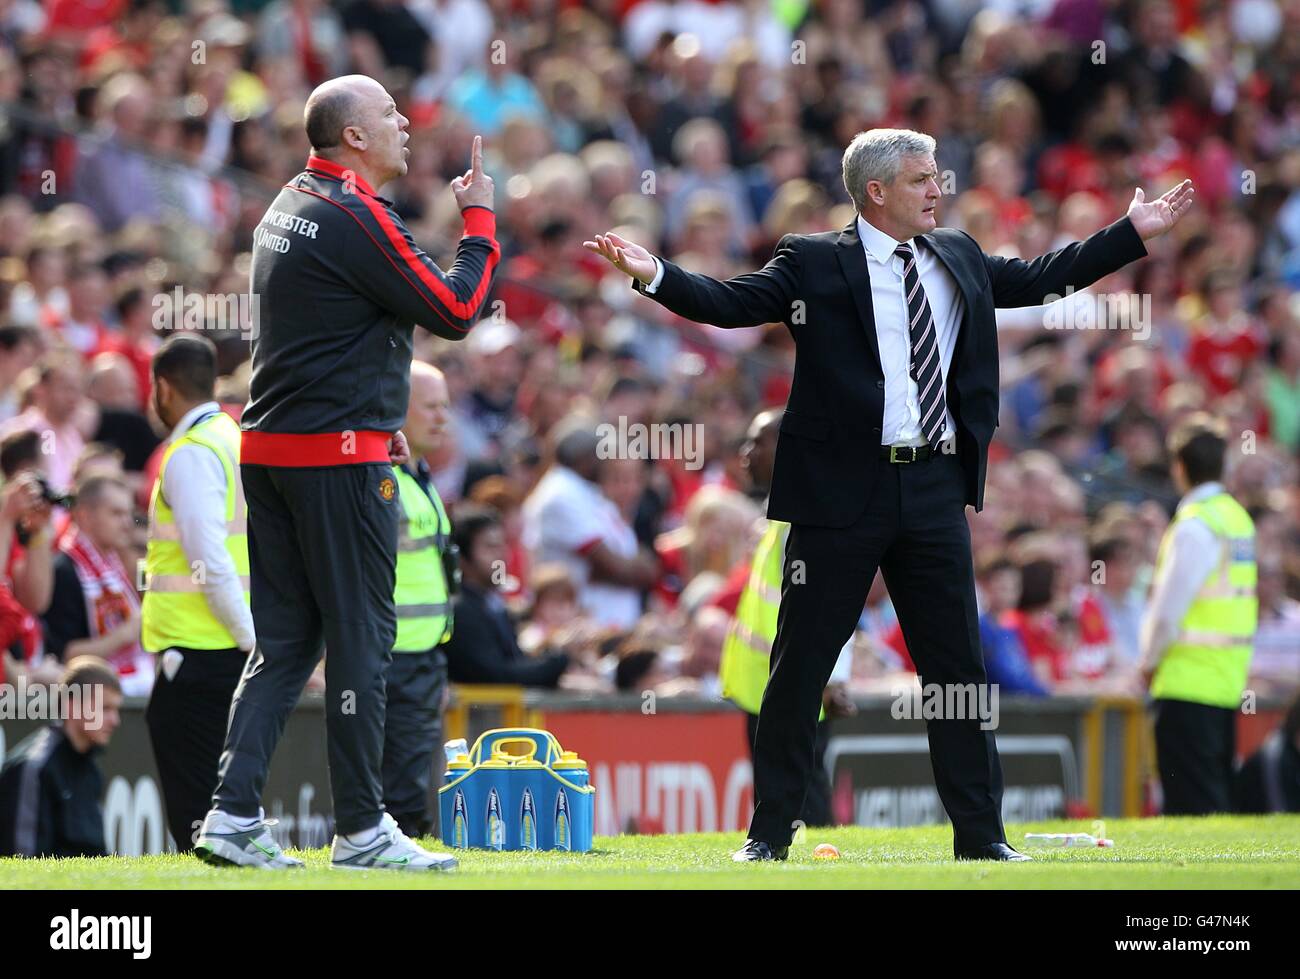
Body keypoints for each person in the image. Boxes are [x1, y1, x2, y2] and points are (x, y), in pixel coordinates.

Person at [587, 127, 1193, 861]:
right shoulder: (813, 261)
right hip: (842, 492)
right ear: (876, 191)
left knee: (956, 670)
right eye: (921, 179)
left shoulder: (959, 253)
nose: (938, 189)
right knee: (801, 664)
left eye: (937, 176)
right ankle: (769, 834)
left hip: (934, 485)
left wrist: (1130, 232)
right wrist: (655, 272)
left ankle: (982, 837)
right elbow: (728, 303)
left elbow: (1039, 277)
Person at [196, 74, 498, 872]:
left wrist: (377, 415)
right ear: (354, 137)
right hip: (335, 462)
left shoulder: (287, 202)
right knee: (364, 641)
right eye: (389, 114)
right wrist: (480, 225)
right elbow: (456, 310)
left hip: (273, 452)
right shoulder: (356, 212)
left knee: (286, 646)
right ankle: (364, 829)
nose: (404, 122)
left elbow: (324, 335)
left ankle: (230, 813)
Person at [141, 334, 255, 852]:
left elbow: (208, 561)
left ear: (162, 388)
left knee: (200, 827)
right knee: (224, 817)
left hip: (198, 656)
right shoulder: (233, 438)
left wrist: (250, 641)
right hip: (224, 653)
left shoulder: (191, 453)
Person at [719, 408, 853, 828]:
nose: (746, 453)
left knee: (804, 807)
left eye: (758, 442)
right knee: (780, 800)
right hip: (768, 689)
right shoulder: (780, 517)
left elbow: (836, 598)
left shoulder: (808, 516)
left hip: (797, 690)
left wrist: (831, 678)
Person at [1140, 413, 1257, 816]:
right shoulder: (1237, 521)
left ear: (1179, 467)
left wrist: (1148, 661)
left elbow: (1168, 609)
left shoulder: (1195, 526)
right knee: (1215, 803)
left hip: (1185, 683)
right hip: (1225, 683)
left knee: (1191, 808)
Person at [382, 361, 456, 838]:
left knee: (411, 779)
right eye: (430, 406)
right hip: (394, 656)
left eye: (445, 406)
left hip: (422, 654)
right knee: (400, 792)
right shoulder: (383, 478)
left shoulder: (418, 476)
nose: (441, 417)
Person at [0, 657, 122, 857]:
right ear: (72, 706)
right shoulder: (34, 768)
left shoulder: (91, 771)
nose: (115, 720)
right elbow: (22, 863)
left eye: (116, 709)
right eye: (105, 708)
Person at [41, 475, 150, 694]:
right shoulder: (63, 570)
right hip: (88, 700)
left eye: (129, 513)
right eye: (116, 513)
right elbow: (64, 654)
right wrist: (124, 635)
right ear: (84, 515)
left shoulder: (116, 564)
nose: (127, 523)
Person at [443, 505, 569, 687]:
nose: (502, 555)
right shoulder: (461, 610)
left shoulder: (492, 604)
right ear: (462, 558)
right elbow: (498, 676)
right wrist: (560, 658)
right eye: (490, 547)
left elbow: (516, 663)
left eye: (503, 544)